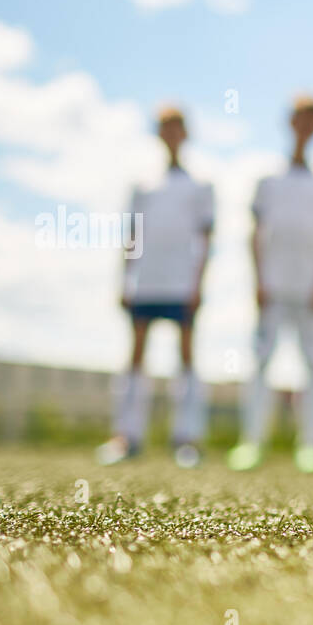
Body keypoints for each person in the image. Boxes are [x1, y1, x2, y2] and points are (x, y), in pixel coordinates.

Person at [227, 95, 313, 474]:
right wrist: (258, 280)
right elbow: (254, 233)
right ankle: (252, 441)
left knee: (311, 365)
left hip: (308, 290)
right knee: (261, 364)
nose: (306, 126)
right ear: (290, 122)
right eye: (301, 118)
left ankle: (311, 444)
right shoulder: (268, 181)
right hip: (272, 287)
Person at [96, 105, 213, 468]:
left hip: (182, 283)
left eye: (177, 127)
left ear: (186, 133)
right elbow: (132, 236)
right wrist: (125, 278)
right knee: (136, 356)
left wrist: (198, 283)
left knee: (186, 357)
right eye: (166, 127)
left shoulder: (200, 186)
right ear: (159, 134)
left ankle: (186, 438)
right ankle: (127, 435)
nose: (172, 133)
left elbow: (206, 237)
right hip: (146, 281)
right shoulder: (143, 185)